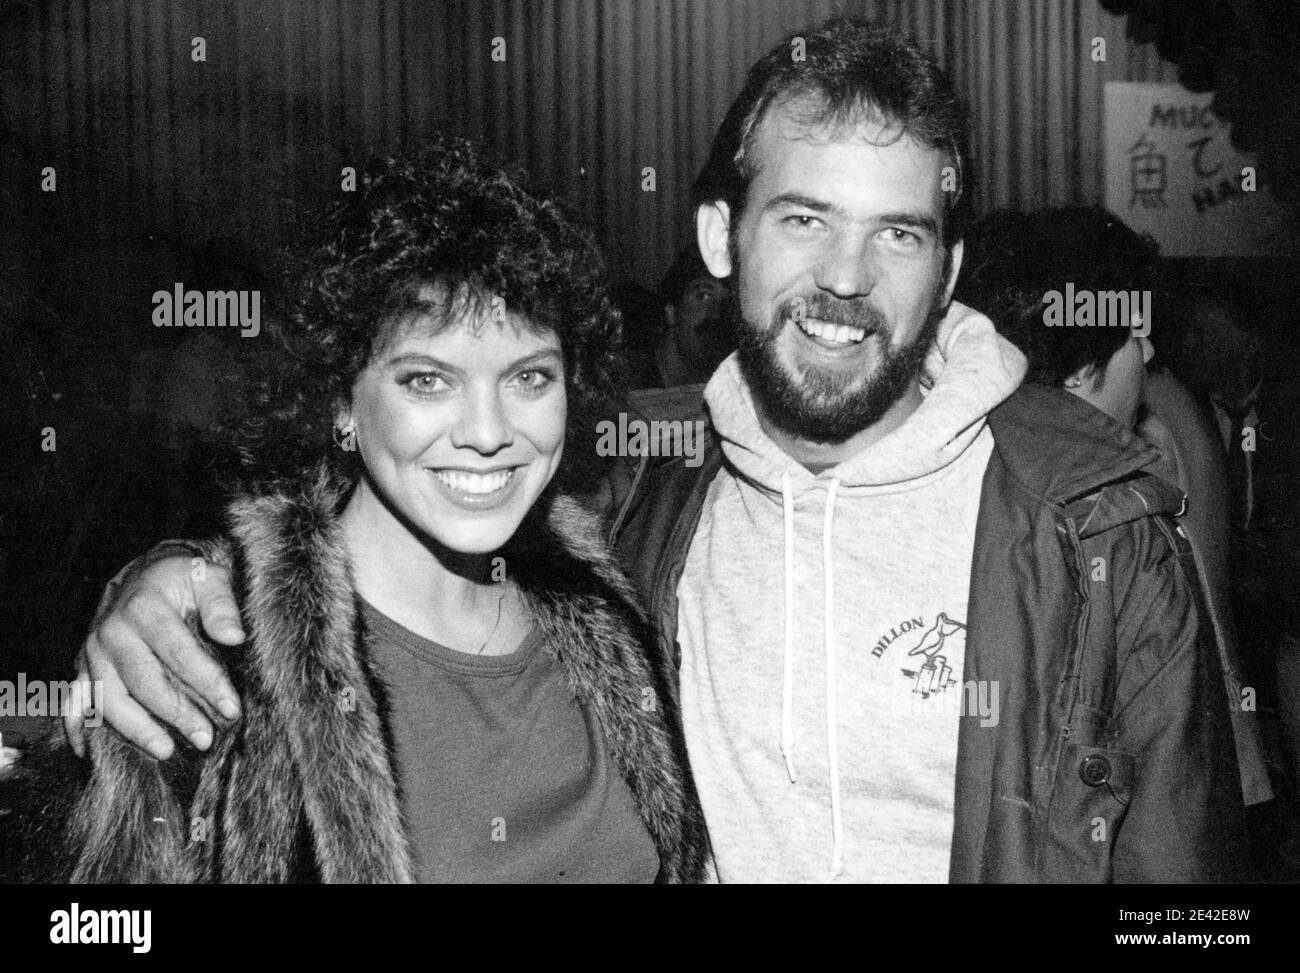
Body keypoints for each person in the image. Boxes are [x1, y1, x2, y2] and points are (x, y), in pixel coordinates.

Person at [62, 17, 1262, 883]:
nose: (845, 281)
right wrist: (171, 576)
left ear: (947, 271)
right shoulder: (641, 486)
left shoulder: (1097, 527)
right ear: (719, 236)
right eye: (802, 218)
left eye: (896, 232)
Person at [0, 140, 708, 883]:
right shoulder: (205, 664)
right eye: (428, 380)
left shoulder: (609, 615)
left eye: (530, 376)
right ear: (342, 401)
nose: (490, 431)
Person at [956, 206, 1272, 811]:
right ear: (1079, 366)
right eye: (1132, 333)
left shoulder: (958, 466)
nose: (1150, 351)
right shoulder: (1119, 510)